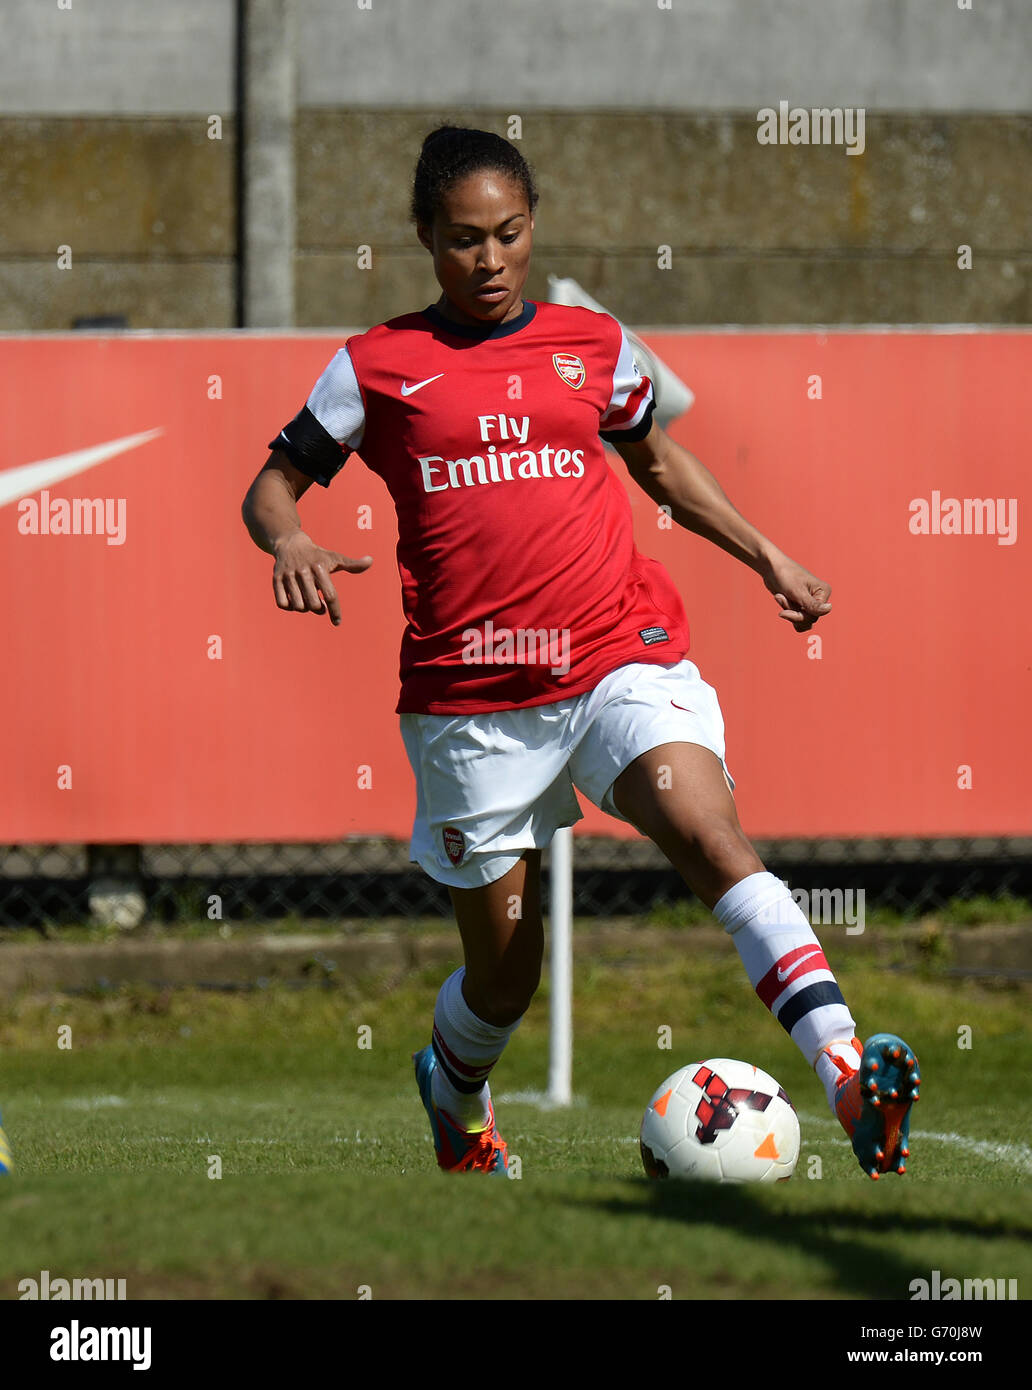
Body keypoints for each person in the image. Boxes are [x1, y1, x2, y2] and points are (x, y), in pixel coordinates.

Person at [242, 125, 919, 1180]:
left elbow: (658, 461)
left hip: (617, 654)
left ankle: (844, 1075)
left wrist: (765, 553)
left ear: (532, 225)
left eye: (509, 233)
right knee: (506, 981)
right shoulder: (375, 366)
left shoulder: (593, 345)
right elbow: (273, 483)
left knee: (707, 831)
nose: (491, 259)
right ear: (423, 236)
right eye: (464, 239)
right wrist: (288, 539)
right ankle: (456, 1095)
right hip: (471, 703)